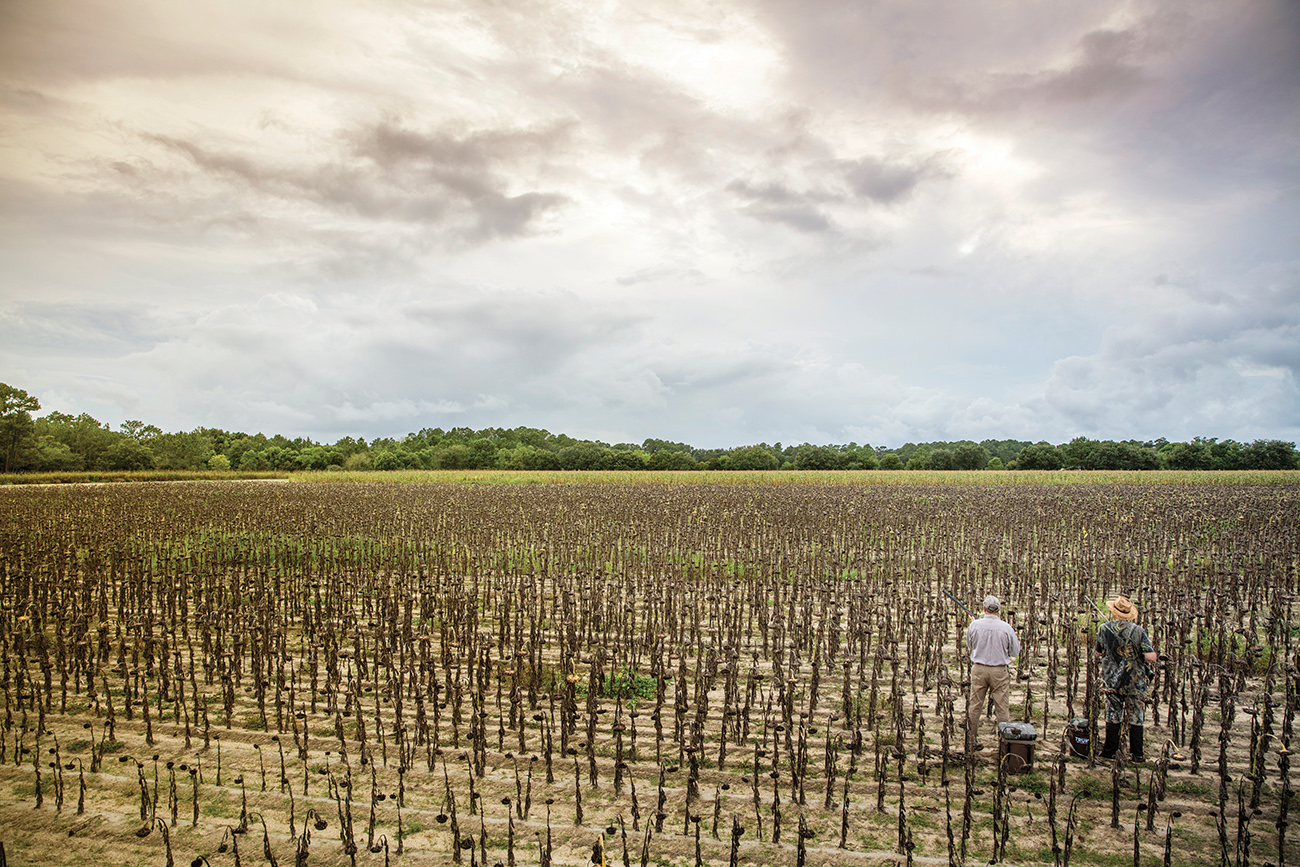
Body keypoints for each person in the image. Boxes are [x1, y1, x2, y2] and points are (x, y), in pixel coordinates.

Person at [1095, 595, 1157, 761]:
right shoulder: (1138, 631)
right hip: (1135, 681)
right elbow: (1150, 657)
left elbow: (1099, 652)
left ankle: (1110, 751)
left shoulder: (1104, 629)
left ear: (1114, 613)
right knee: (1136, 716)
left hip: (1112, 680)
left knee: (1113, 713)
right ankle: (1137, 754)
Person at [965, 595, 1021, 750]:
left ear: (984, 609)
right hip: (999, 671)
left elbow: (970, 645)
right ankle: (1005, 744)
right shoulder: (1006, 628)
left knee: (975, 706)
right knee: (1002, 708)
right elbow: (1015, 651)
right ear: (998, 610)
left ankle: (971, 741)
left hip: (979, 669)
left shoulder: (975, 625)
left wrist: (975, 625)